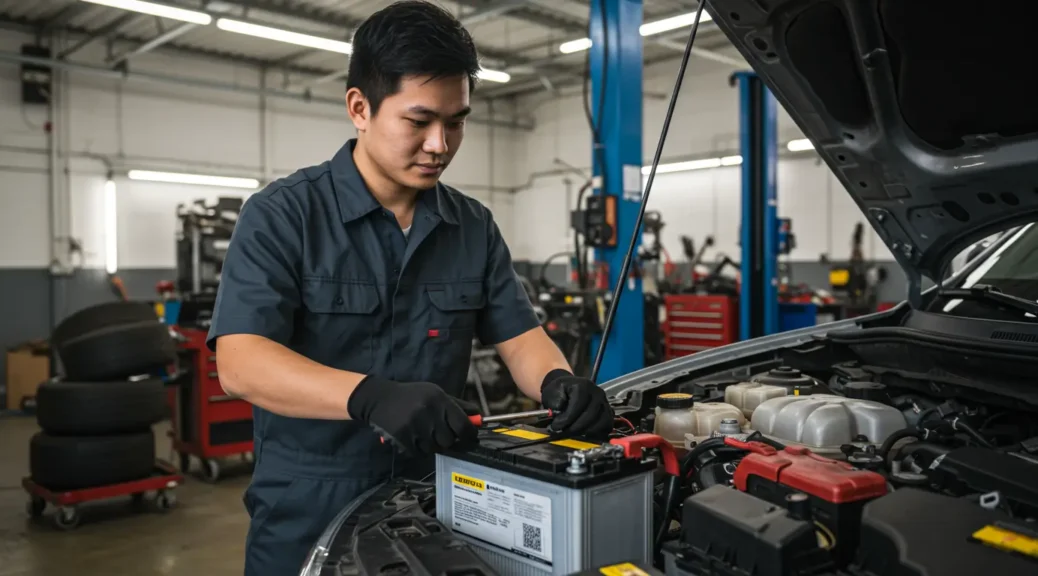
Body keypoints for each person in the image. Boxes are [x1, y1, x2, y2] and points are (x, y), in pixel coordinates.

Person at [205, 2, 615, 574]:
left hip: (435, 498)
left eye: (456, 121)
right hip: (308, 506)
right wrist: (369, 396)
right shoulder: (282, 216)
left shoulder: (472, 226)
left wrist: (558, 382)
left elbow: (520, 336)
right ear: (360, 108)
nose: (440, 145)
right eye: (419, 122)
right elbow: (241, 363)